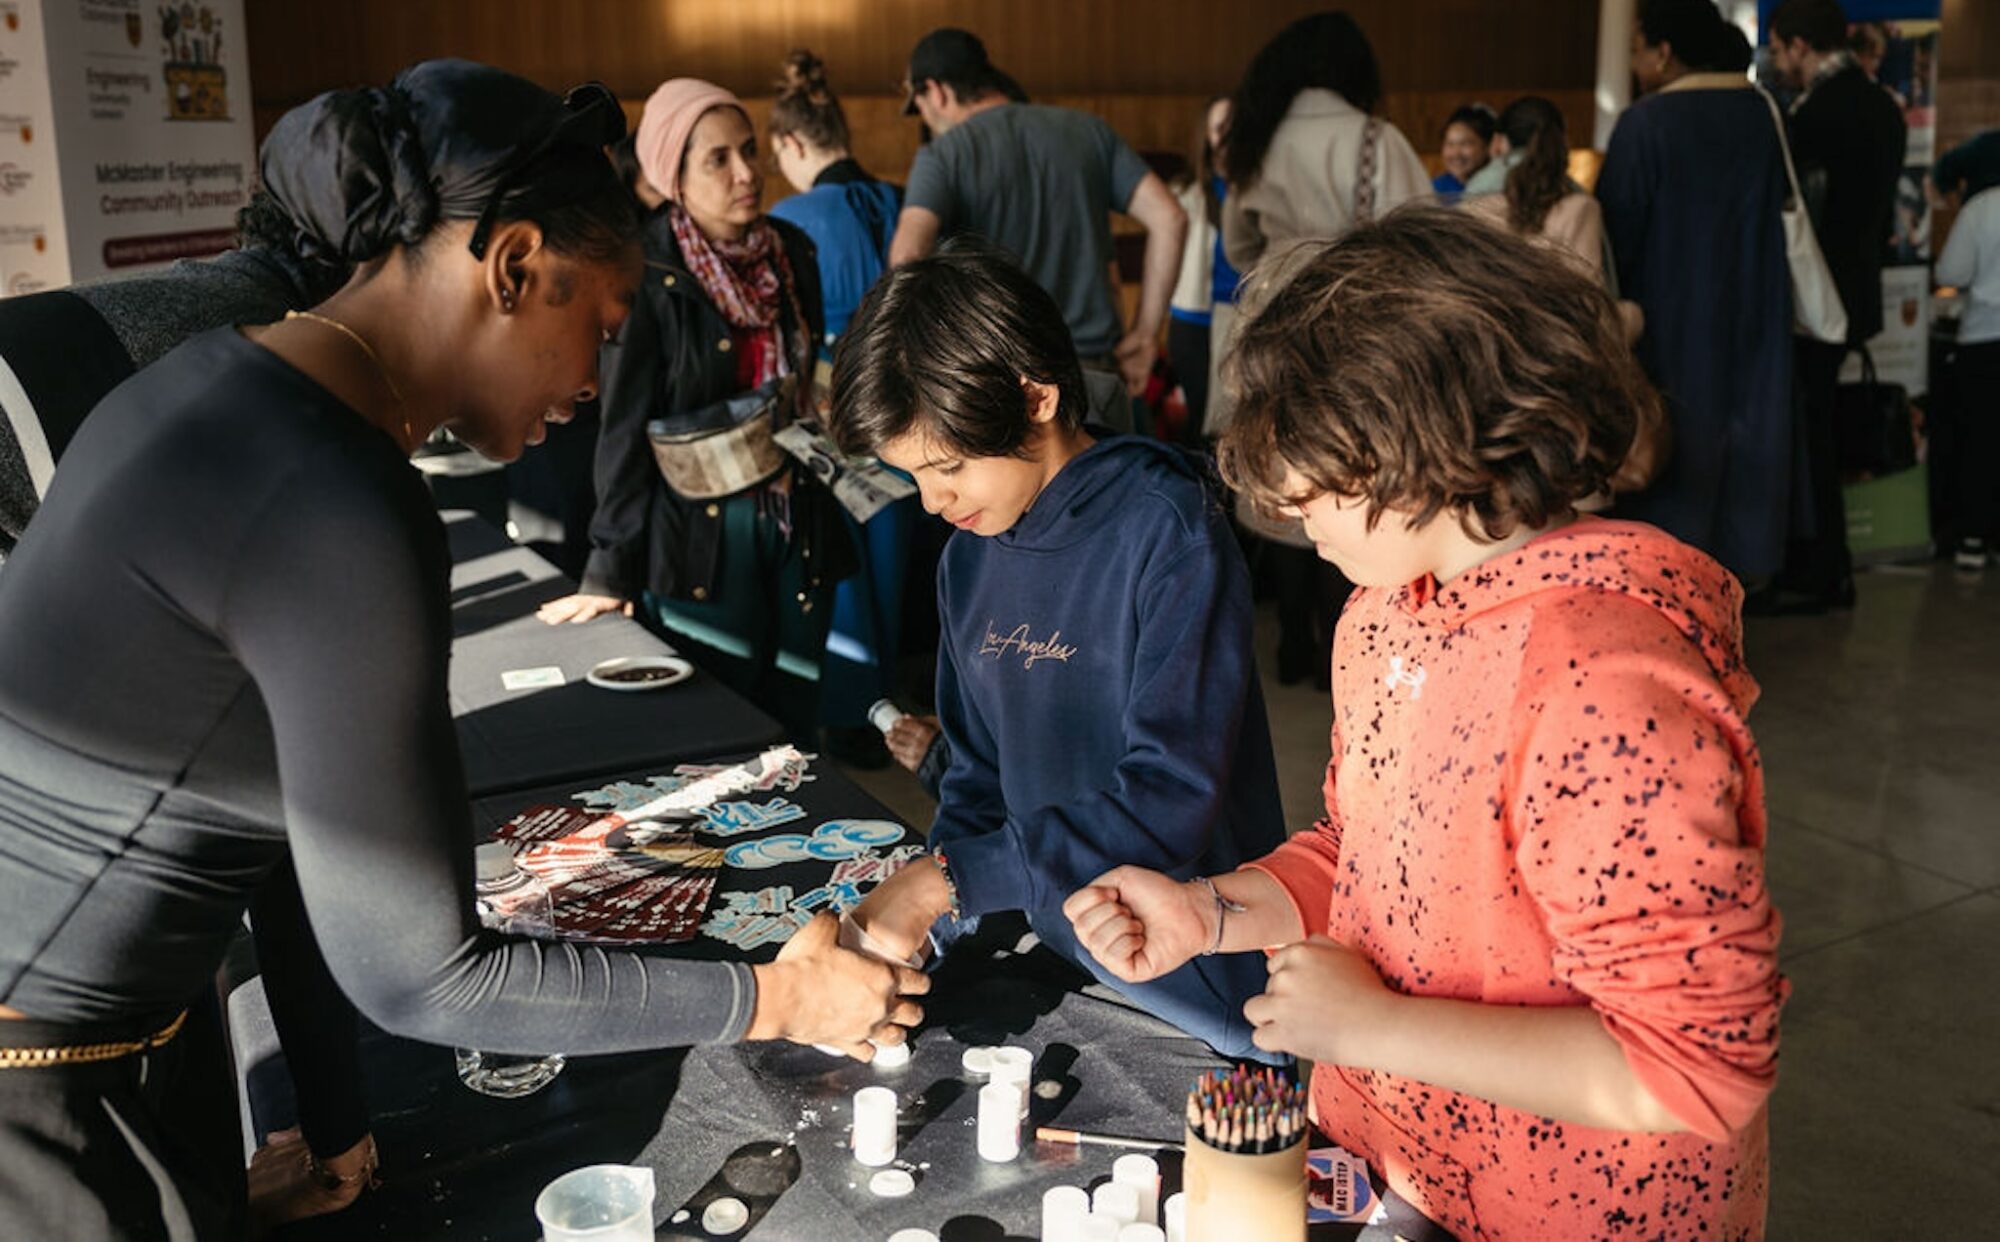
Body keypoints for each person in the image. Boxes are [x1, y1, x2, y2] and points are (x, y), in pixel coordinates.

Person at [0, 60, 923, 1241]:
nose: (592, 387)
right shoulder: (342, 501)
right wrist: (773, 995)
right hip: (44, 1112)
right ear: (512, 265)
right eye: (594, 324)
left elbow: (274, 829)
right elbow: (422, 974)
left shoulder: (203, 384)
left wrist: (331, 1130)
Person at [1065, 208, 1783, 1240]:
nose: (1284, 499)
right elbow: (1365, 855)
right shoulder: (1381, 616)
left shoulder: (1605, 687)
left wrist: (1374, 1026)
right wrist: (1211, 914)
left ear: (1403, 442)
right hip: (1402, 1160)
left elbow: (1696, 1068)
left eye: (1301, 460)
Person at [827, 242, 1286, 1060]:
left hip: (1191, 984)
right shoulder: (970, 553)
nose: (933, 503)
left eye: (949, 467)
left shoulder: (1169, 531)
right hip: (1047, 949)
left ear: (1034, 398)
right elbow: (976, 780)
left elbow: (1168, 801)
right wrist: (942, 922)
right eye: (912, 478)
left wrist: (946, 883)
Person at [541, 78, 856, 741]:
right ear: (671, 172)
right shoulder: (646, 267)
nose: (746, 173)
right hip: (700, 537)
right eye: (718, 158)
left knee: (799, 713)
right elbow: (621, 428)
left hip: (795, 515)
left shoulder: (792, 251)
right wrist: (609, 567)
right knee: (720, 724)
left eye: (749, 150)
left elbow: (810, 377)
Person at [1219, 10, 1426, 687]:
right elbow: (1422, 237)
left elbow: (1236, 247)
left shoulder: (1257, 139)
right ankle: (1351, 642)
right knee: (1353, 473)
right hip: (1360, 329)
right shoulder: (1376, 139)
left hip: (1272, 324)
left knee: (1283, 480)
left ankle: (1291, 644)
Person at [888, 27, 1187, 425]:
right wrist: (1147, 333)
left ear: (936, 92)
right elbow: (1171, 217)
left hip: (997, 381)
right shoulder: (1089, 131)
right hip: (1093, 376)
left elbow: (907, 254)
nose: (924, 117)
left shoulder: (944, 155)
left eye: (920, 105)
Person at [1597, 0, 1794, 583]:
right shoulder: (1763, 113)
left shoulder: (1646, 123)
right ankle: (1742, 583)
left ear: (1663, 53)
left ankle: (1673, 590)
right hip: (1759, 304)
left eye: (1635, 49)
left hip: (1671, 312)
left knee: (1675, 445)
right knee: (1752, 437)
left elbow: (1617, 238)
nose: (1634, 64)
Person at [765, 49, 915, 769]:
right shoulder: (901, 202)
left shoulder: (785, 221)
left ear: (791, 144)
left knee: (840, 572)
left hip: (830, 417)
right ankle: (893, 709)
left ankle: (850, 715)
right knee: (897, 563)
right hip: (913, 409)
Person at [1764, 0, 1907, 614]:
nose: (1774, 62)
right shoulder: (1882, 104)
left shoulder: (1815, 113)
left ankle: (1821, 570)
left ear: (1799, 45)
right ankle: (1827, 566)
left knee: (1811, 434)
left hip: (1818, 297)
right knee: (1820, 427)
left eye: (1776, 49)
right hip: (1861, 292)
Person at [1165, 96, 1239, 445]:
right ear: (1206, 136)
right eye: (1219, 128)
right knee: (1201, 427)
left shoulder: (1259, 191)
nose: (1228, 137)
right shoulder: (1186, 193)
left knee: (1235, 426)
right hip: (1195, 321)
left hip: (1242, 317)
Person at [1937, 181, 2000, 571]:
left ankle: (1974, 537)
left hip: (1982, 339)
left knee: (1980, 439)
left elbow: (1951, 271)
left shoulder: (1982, 208)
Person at [1432, 102, 1497, 201]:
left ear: (1488, 146)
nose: (1455, 153)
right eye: (1450, 144)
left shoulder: (1498, 186)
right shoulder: (1435, 189)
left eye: (1465, 144)